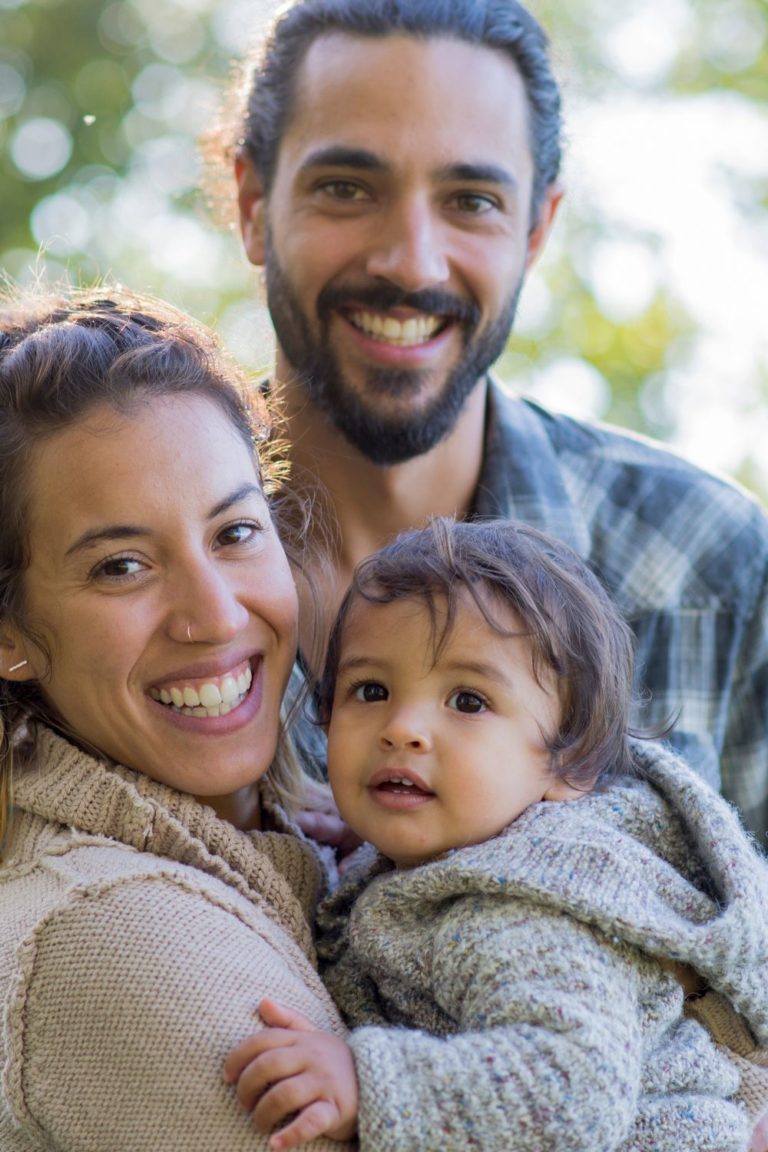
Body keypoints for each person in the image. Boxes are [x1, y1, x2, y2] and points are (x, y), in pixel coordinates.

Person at [210, 0, 768, 840]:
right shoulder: (122, 576)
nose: (410, 260)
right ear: (253, 202)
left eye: (470, 199)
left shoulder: (710, 561)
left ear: (537, 228)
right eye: (347, 189)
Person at [223, 517, 768, 1151]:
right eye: (370, 690)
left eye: (468, 701)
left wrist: (372, 1084)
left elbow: (574, 1093)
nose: (402, 728)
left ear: (569, 762)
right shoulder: (455, 859)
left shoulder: (519, 910)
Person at [0, 286, 353, 1151]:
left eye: (234, 533)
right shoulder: (111, 933)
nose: (217, 615)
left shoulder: (321, 835)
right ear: (11, 637)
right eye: (122, 565)